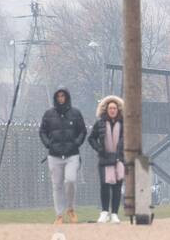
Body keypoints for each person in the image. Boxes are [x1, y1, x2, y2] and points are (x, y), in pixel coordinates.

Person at [39, 87, 88, 225]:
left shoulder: (76, 113)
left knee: (70, 180)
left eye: (63, 96)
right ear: (56, 98)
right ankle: (59, 215)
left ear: (67, 97)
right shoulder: (48, 114)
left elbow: (83, 131)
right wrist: (48, 144)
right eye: (59, 96)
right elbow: (42, 131)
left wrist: (76, 143)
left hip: (72, 155)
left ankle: (71, 209)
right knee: (57, 185)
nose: (61, 98)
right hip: (54, 155)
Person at [87, 94, 126, 223]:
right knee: (104, 185)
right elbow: (91, 138)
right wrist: (99, 148)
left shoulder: (124, 124)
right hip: (105, 159)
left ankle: (114, 213)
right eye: (110, 108)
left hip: (119, 159)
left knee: (117, 186)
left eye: (114, 108)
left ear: (118, 109)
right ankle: (104, 212)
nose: (112, 110)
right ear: (106, 109)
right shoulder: (100, 123)